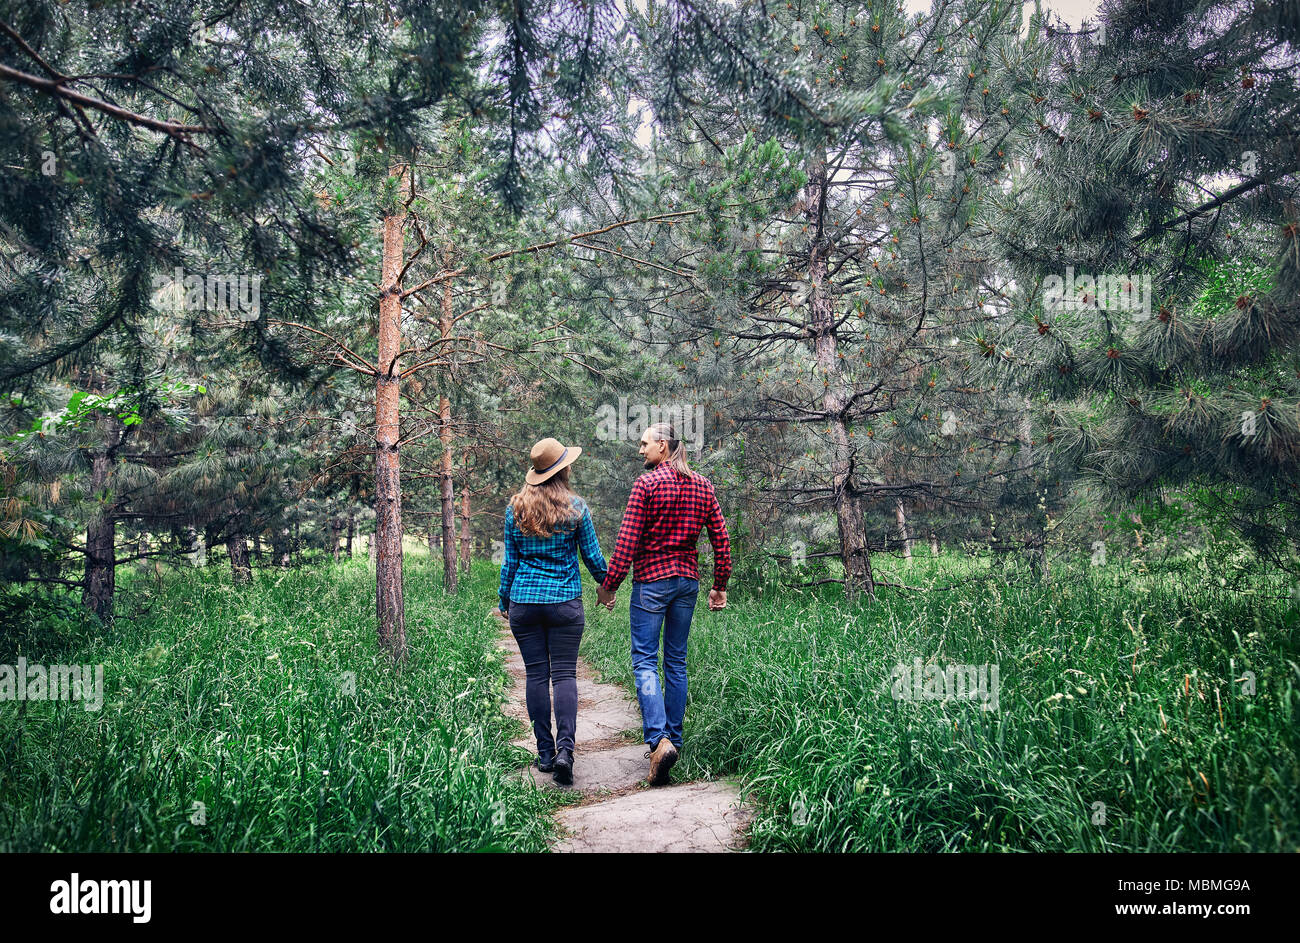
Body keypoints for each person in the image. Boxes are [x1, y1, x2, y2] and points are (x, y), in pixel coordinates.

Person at [597, 421, 731, 786]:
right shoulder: (703, 486)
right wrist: (719, 585)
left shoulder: (646, 484)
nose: (640, 450)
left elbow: (626, 542)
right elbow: (721, 539)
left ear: (663, 446)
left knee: (644, 660)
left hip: (652, 582)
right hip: (686, 583)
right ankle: (675, 740)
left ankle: (658, 740)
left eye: (644, 444)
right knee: (675, 661)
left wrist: (609, 586)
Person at [499, 437, 608, 786]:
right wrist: (608, 587)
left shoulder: (515, 507)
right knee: (564, 675)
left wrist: (505, 600)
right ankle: (565, 751)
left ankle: (545, 753)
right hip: (564, 603)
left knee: (535, 675)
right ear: (563, 468)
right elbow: (592, 557)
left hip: (525, 603)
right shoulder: (577, 507)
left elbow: (510, 563)